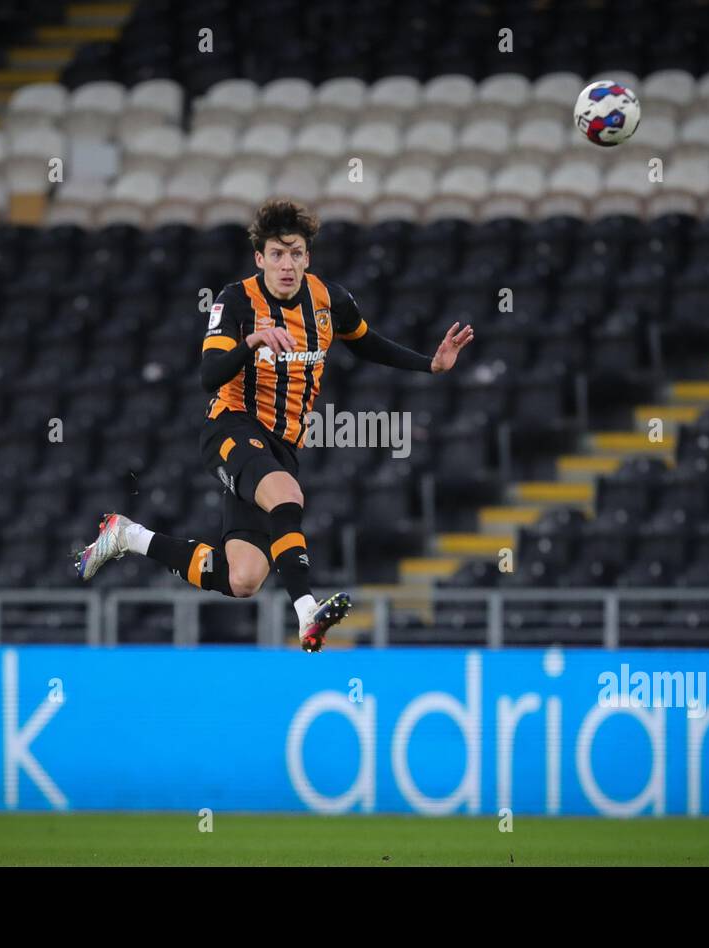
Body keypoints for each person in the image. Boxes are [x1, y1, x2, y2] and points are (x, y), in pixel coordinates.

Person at [75, 198, 474, 651]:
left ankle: (127, 535)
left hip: (281, 445)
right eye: (278, 254)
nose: (288, 264)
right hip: (230, 426)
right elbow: (210, 374)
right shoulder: (236, 300)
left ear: (308, 256)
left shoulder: (329, 300)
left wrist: (431, 366)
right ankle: (307, 611)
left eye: (297, 253)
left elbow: (367, 344)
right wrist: (252, 340)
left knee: (243, 578)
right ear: (260, 258)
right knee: (287, 494)